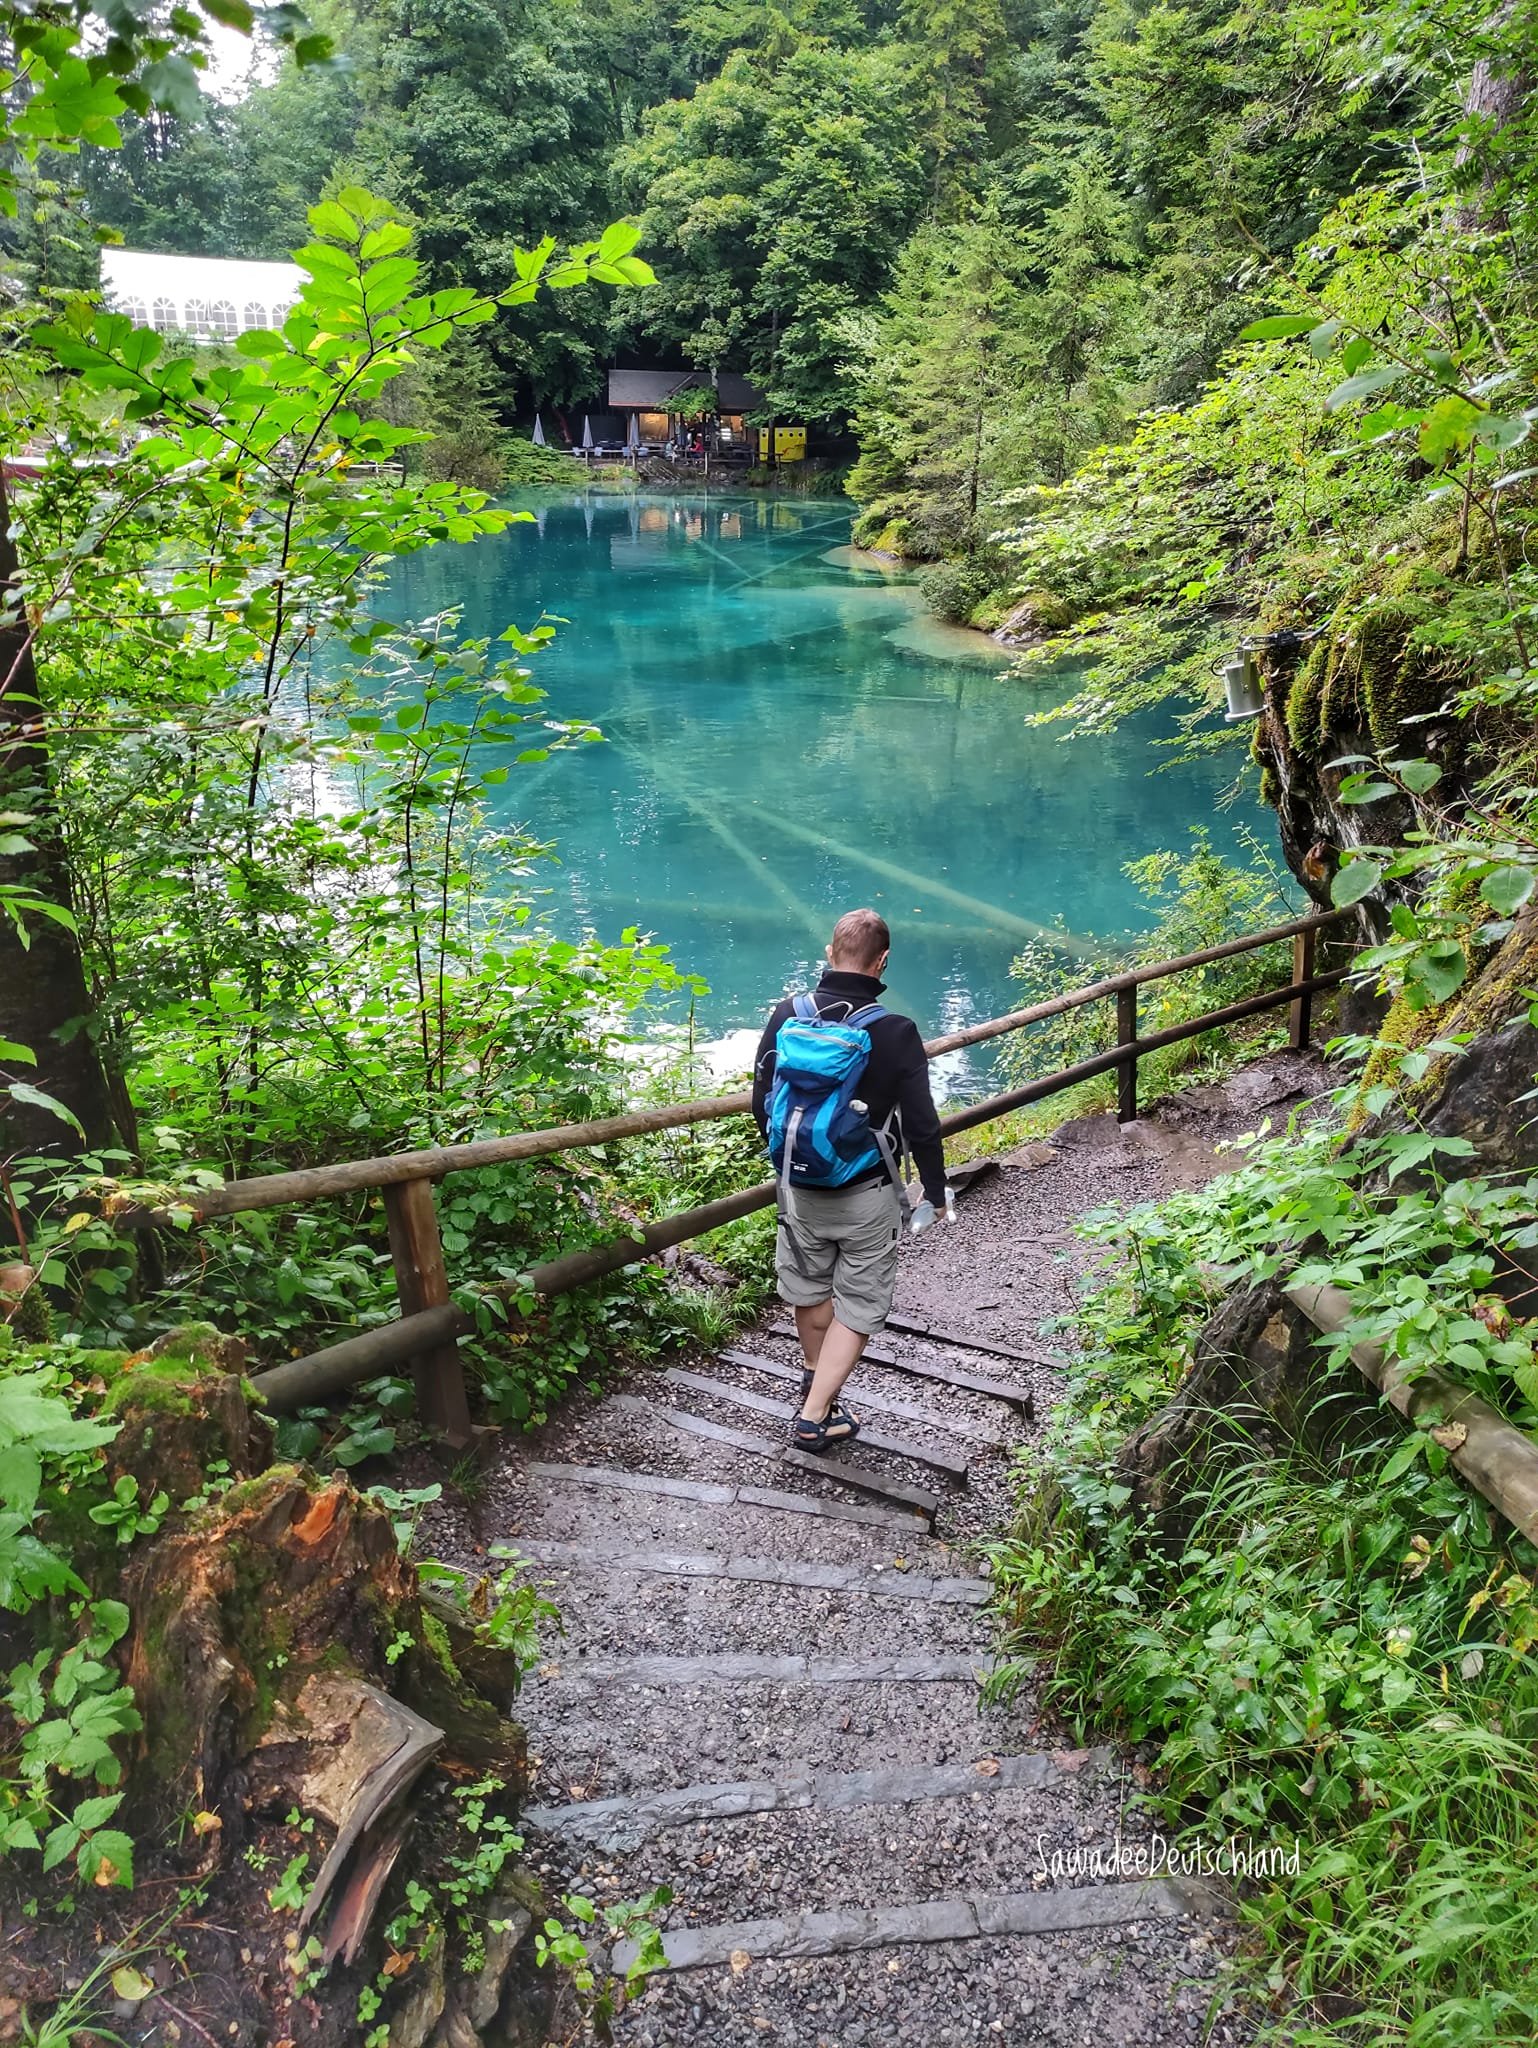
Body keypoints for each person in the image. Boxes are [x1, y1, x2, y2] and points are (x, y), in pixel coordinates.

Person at [752, 908, 952, 1454]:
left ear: (829, 953)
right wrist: (933, 1191)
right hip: (865, 1192)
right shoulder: (895, 1030)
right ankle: (815, 1415)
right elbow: (921, 1123)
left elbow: (760, 1104)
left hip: (796, 1188)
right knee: (859, 1304)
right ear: (882, 961)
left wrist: (795, 1164)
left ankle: (818, 1379)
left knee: (809, 1286)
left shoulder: (786, 1012)